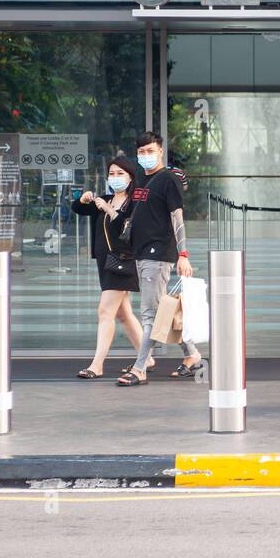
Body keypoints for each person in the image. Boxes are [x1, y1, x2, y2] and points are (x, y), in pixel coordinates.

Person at [118, 131, 203, 386]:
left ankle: (140, 368)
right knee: (161, 310)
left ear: (160, 151)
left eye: (150, 150)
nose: (145, 155)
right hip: (141, 253)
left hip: (158, 254)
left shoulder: (168, 179)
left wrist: (183, 254)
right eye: (141, 151)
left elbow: (177, 218)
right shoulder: (141, 179)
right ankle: (193, 356)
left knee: (149, 315)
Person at [71, 156, 148, 380]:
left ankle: (97, 364)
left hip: (124, 262)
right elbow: (78, 210)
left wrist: (108, 209)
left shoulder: (135, 203)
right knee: (124, 314)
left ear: (131, 177)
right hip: (105, 263)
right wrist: (83, 200)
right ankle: (147, 357)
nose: (115, 178)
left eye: (120, 174)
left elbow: (128, 228)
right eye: (111, 174)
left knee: (105, 311)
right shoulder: (104, 199)